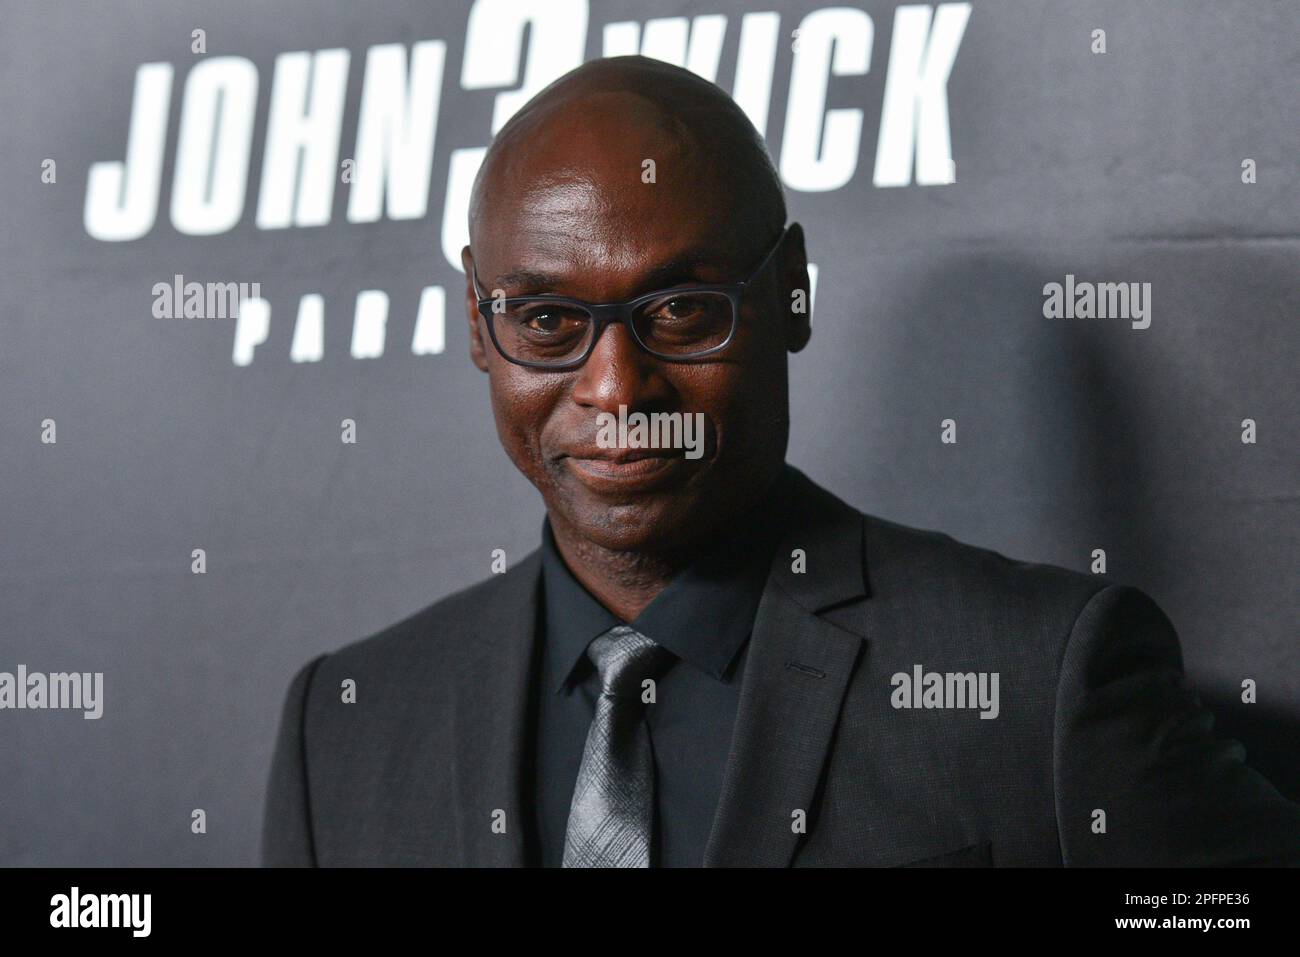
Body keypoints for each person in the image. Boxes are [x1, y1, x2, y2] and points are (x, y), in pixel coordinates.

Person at [262, 55, 1300, 867]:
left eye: (680, 309)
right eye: (544, 318)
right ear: (479, 328)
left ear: (790, 295)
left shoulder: (1043, 682)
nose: (617, 389)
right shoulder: (345, 728)